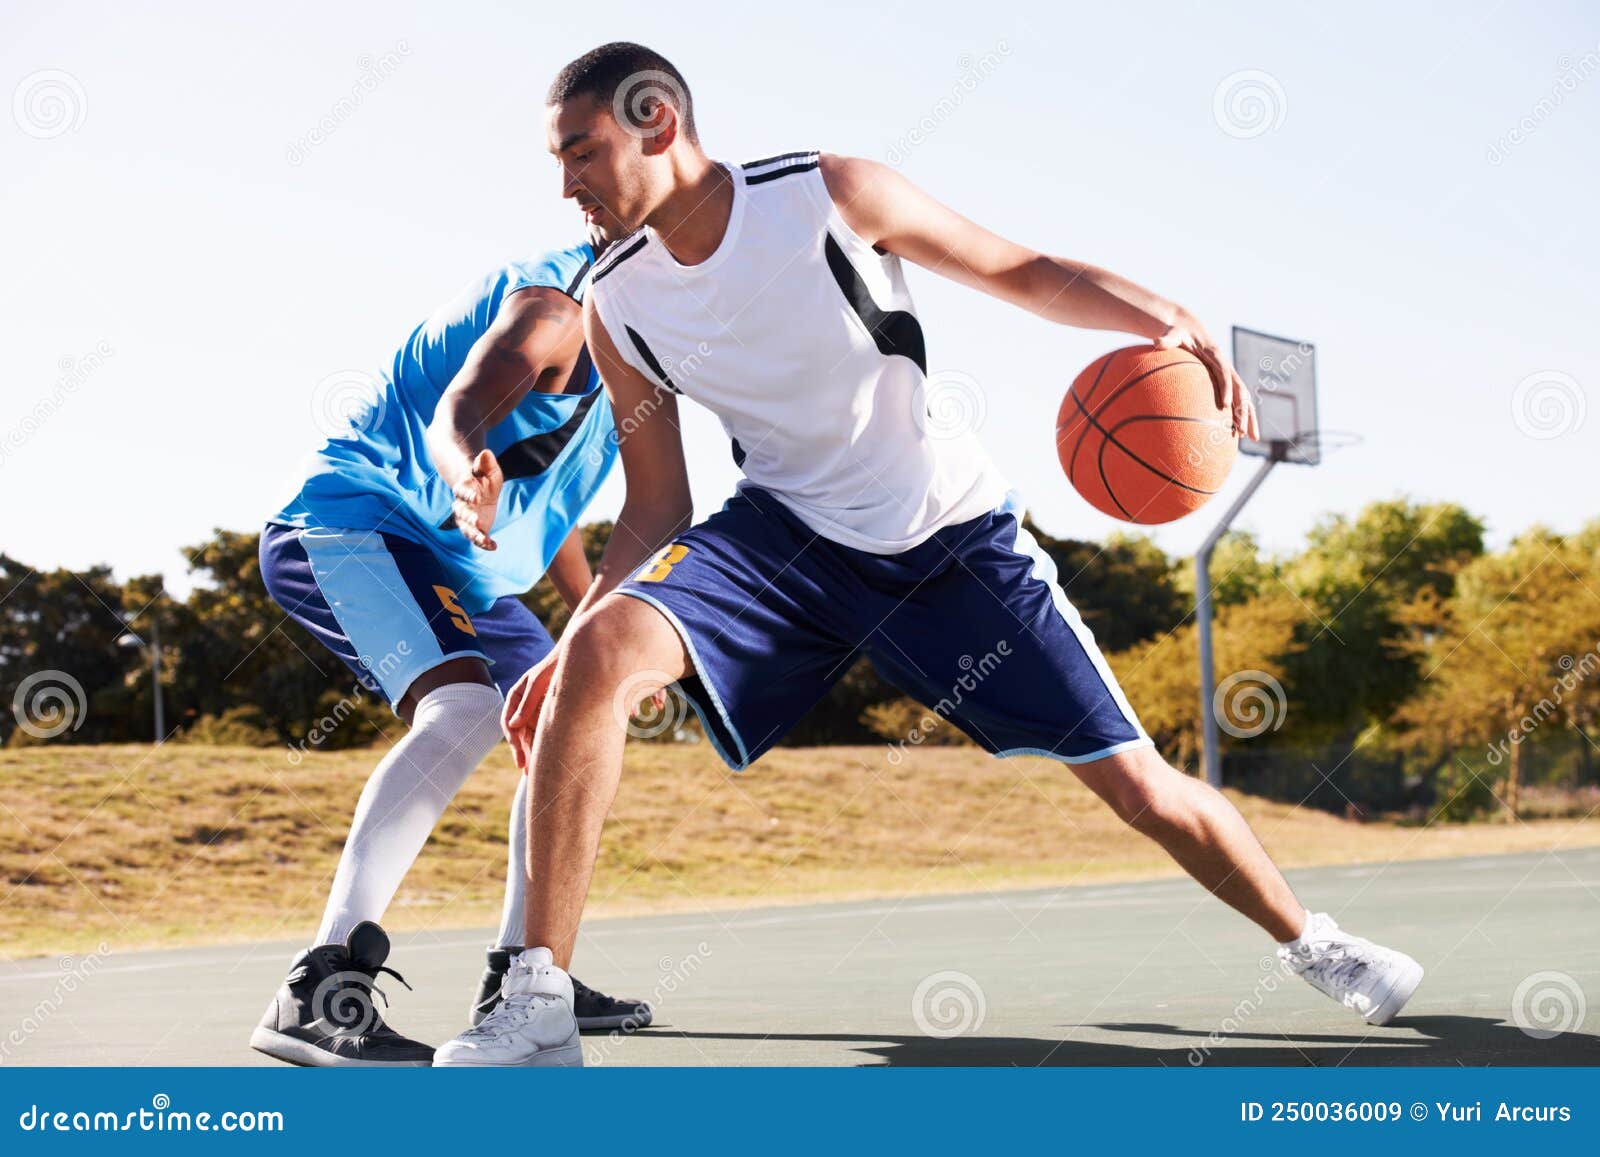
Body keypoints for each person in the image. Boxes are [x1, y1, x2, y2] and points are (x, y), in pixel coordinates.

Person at [433, 42, 1423, 1068]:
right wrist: (585, 643)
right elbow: (656, 509)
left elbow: (1023, 272)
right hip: (783, 539)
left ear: (660, 124)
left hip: (951, 544)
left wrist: (1168, 317)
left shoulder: (828, 193)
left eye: (583, 151)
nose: (567, 183)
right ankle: (536, 996)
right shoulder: (618, 300)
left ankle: (1315, 942)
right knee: (592, 665)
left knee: (1141, 788)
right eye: (558, 160)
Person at [252, 234, 650, 1067]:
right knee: (465, 707)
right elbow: (459, 413)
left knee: (565, 720)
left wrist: (599, 633)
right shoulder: (551, 311)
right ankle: (318, 988)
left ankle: (526, 974)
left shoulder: (638, 361)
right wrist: (467, 468)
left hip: (459, 567)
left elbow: (556, 511)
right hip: (352, 522)